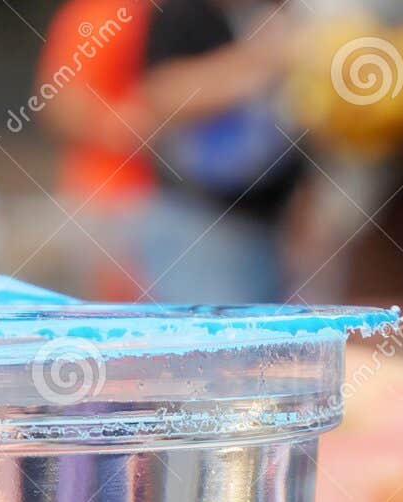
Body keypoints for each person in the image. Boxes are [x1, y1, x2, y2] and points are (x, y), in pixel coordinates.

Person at [134, 0, 301, 302]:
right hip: (201, 221)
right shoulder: (182, 13)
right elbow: (162, 96)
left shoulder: (281, 11)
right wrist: (258, 60)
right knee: (217, 344)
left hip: (273, 222)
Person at [35, 0, 155, 298]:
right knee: (119, 319)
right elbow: (61, 103)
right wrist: (146, 121)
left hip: (155, 200)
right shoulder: (101, 14)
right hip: (109, 197)